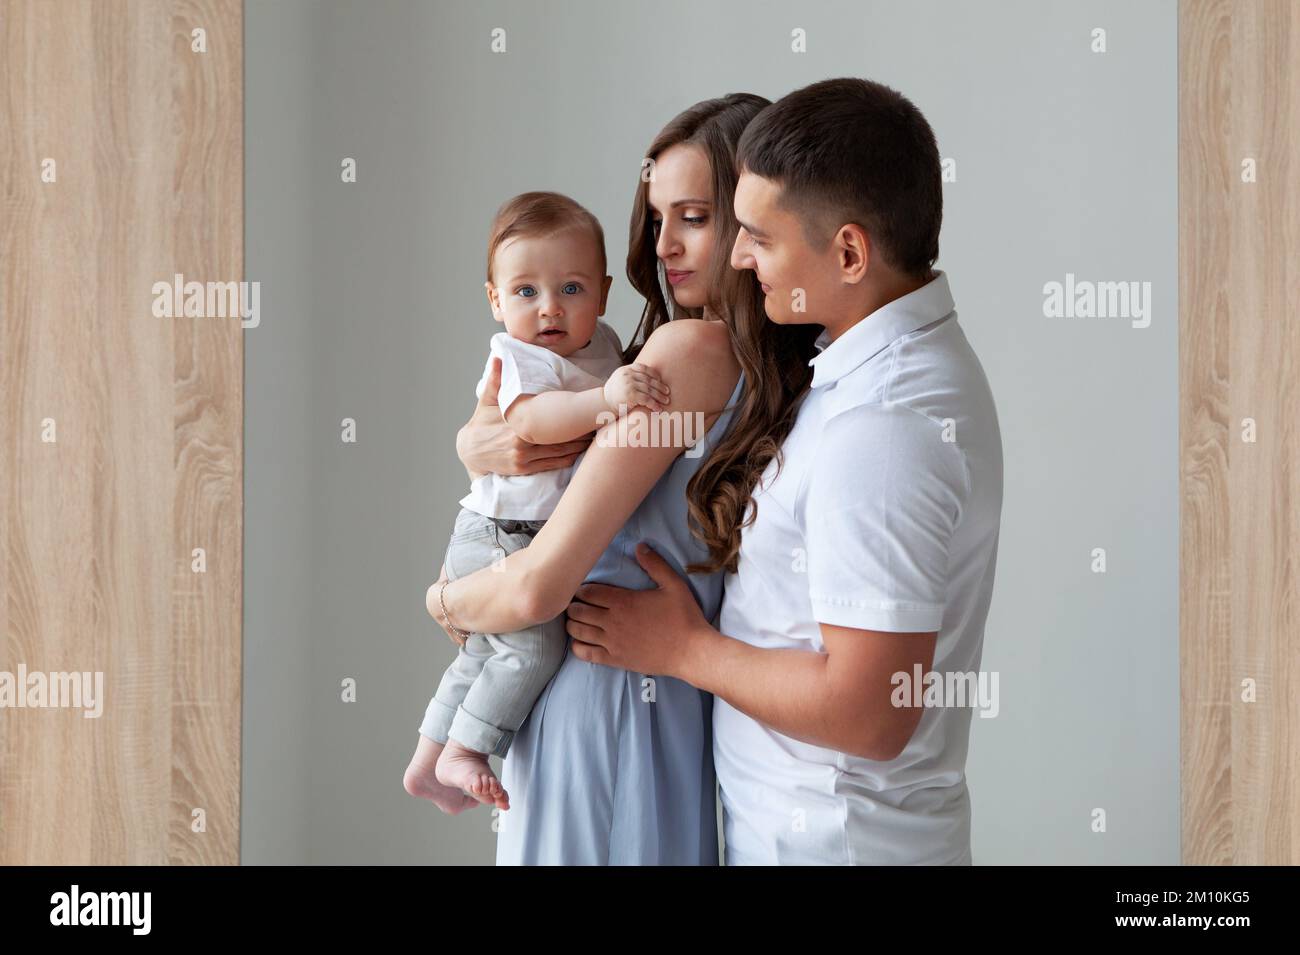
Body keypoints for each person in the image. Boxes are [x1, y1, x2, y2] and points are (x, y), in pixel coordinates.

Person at [564, 78, 1004, 865]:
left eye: (758, 236)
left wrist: (683, 650)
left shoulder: (887, 421)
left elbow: (869, 713)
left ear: (848, 252)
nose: (736, 254)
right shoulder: (867, 372)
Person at [415, 93, 820, 864]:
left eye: (694, 216)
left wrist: (443, 598)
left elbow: (535, 589)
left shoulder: (684, 353)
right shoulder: (770, 373)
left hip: (602, 696)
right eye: (658, 216)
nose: (665, 243)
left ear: (749, 215)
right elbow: (504, 433)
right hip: (660, 703)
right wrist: (478, 442)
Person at [404, 191, 669, 809]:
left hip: (519, 533)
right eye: (526, 292)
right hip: (499, 533)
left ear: (602, 294)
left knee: (486, 650)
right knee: (532, 648)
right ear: (495, 301)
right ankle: (467, 750)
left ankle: (426, 758)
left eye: (571, 289)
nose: (550, 308)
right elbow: (535, 422)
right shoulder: (519, 357)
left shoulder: (599, 344)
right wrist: (608, 401)